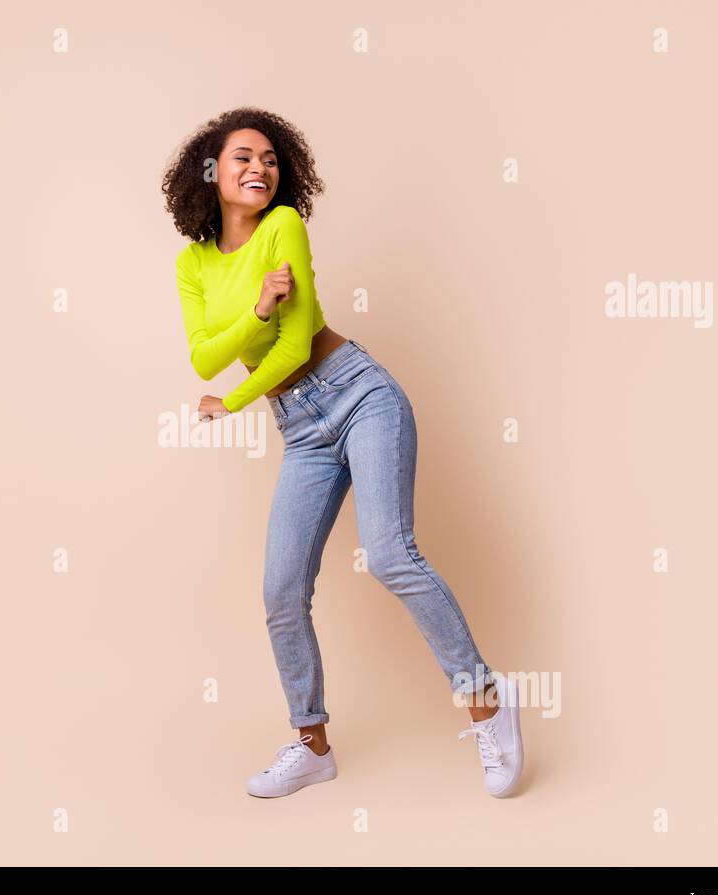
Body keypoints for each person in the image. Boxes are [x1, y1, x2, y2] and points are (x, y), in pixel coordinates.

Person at [162, 107, 523, 799]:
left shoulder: (283, 228)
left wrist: (236, 402)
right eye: (243, 157)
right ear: (210, 173)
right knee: (280, 590)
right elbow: (205, 355)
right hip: (299, 428)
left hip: (358, 394)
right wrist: (260, 310)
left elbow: (295, 350)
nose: (259, 168)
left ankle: (487, 701)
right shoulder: (193, 262)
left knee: (389, 553)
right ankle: (312, 745)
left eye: (269, 159)